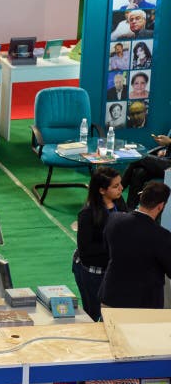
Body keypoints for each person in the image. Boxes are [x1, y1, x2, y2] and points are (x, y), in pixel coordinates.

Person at [99, 182, 171, 309]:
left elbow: (106, 249)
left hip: (111, 297)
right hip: (143, 306)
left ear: (141, 197)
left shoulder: (114, 219)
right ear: (160, 206)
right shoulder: (161, 236)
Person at [72, 167, 125, 322]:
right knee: (95, 313)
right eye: (115, 186)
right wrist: (115, 249)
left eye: (120, 184)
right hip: (92, 272)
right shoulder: (87, 214)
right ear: (102, 190)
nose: (121, 188)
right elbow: (86, 251)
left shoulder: (119, 203)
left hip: (111, 268)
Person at [122, 132, 171, 207]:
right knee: (138, 172)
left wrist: (170, 142)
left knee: (139, 157)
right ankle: (130, 209)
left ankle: (119, 189)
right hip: (165, 160)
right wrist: (164, 150)